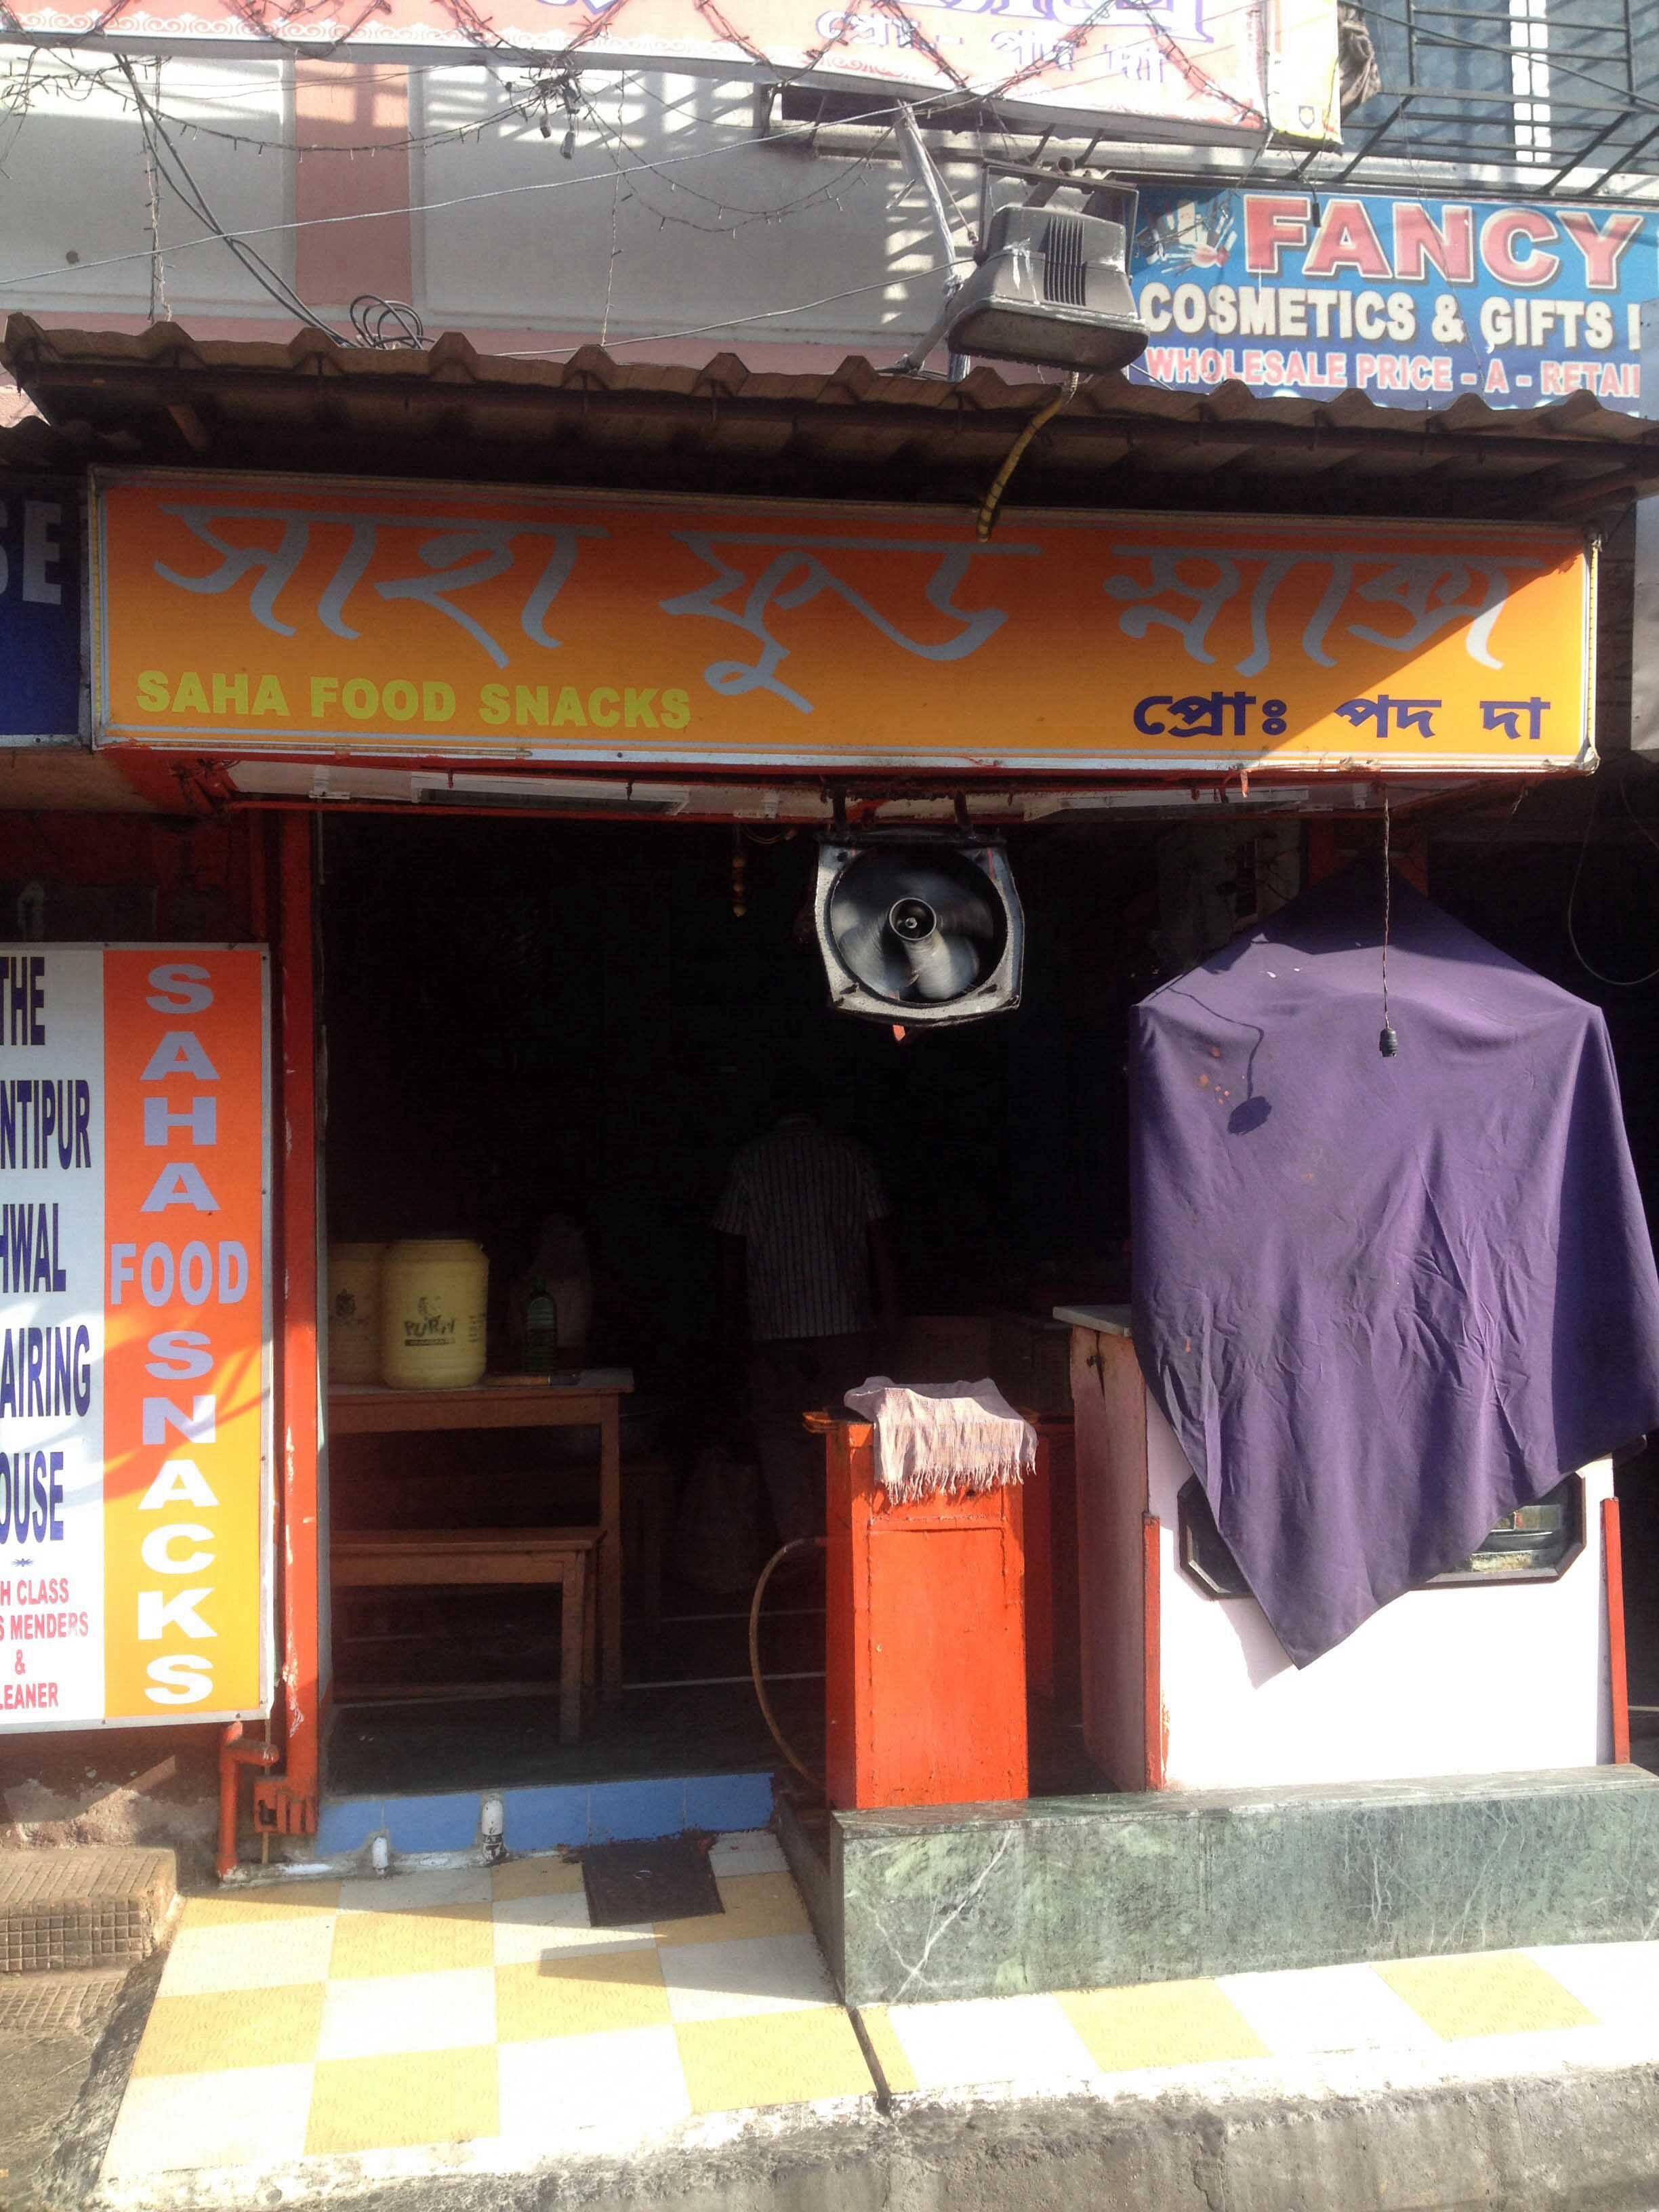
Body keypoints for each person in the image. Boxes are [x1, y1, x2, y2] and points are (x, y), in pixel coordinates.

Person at [713, 1075, 898, 1546]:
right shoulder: (849, 1157)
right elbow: (882, 1245)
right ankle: (851, 1545)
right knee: (850, 1441)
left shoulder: (751, 1161)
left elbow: (729, 1251)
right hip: (846, 1327)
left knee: (782, 1444)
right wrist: (889, 1322)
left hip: (774, 1330)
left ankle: (799, 1548)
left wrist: (733, 1326)